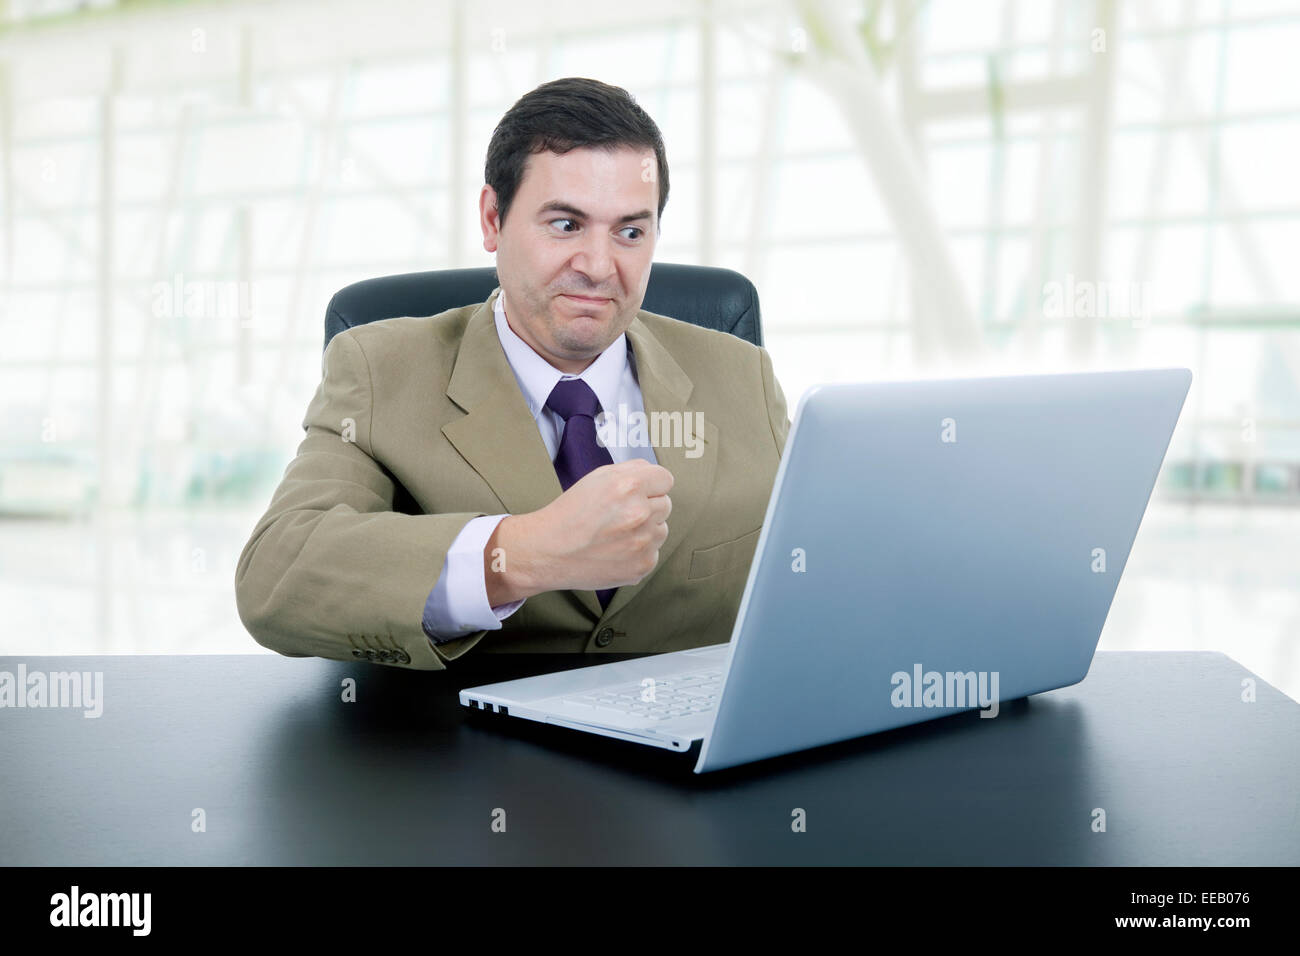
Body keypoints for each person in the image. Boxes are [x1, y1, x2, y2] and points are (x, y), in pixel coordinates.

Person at [235, 77, 791, 670]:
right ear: (493, 219)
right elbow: (278, 577)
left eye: (631, 231)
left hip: (696, 753)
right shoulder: (379, 372)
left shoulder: (742, 374)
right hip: (465, 751)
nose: (600, 267)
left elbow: (814, 567)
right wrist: (523, 554)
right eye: (565, 224)